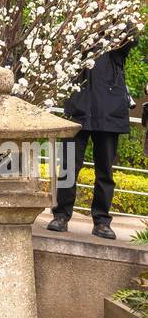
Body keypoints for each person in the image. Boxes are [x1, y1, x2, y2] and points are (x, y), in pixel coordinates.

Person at [48, 25, 139, 240]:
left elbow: (132, 39)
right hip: (80, 105)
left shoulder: (121, 28)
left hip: (109, 108)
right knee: (69, 165)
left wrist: (113, 21)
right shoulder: (81, 23)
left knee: (105, 170)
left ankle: (101, 220)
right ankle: (61, 215)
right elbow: (65, 45)